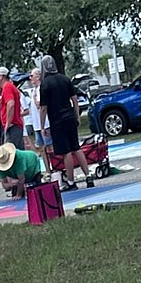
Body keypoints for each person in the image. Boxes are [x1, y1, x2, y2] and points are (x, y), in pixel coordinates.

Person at [38, 55, 95, 191]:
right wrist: (77, 116)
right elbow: (74, 99)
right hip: (69, 117)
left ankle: (71, 181)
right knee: (76, 147)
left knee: (66, 152)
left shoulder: (45, 84)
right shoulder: (65, 79)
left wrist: (42, 126)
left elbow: (43, 107)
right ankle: (88, 175)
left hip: (57, 120)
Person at [0, 69, 24, 147]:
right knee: (18, 152)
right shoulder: (10, 86)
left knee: (12, 153)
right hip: (15, 126)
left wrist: (8, 123)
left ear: (2, 76)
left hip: (13, 126)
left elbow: (11, 104)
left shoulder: (7, 87)